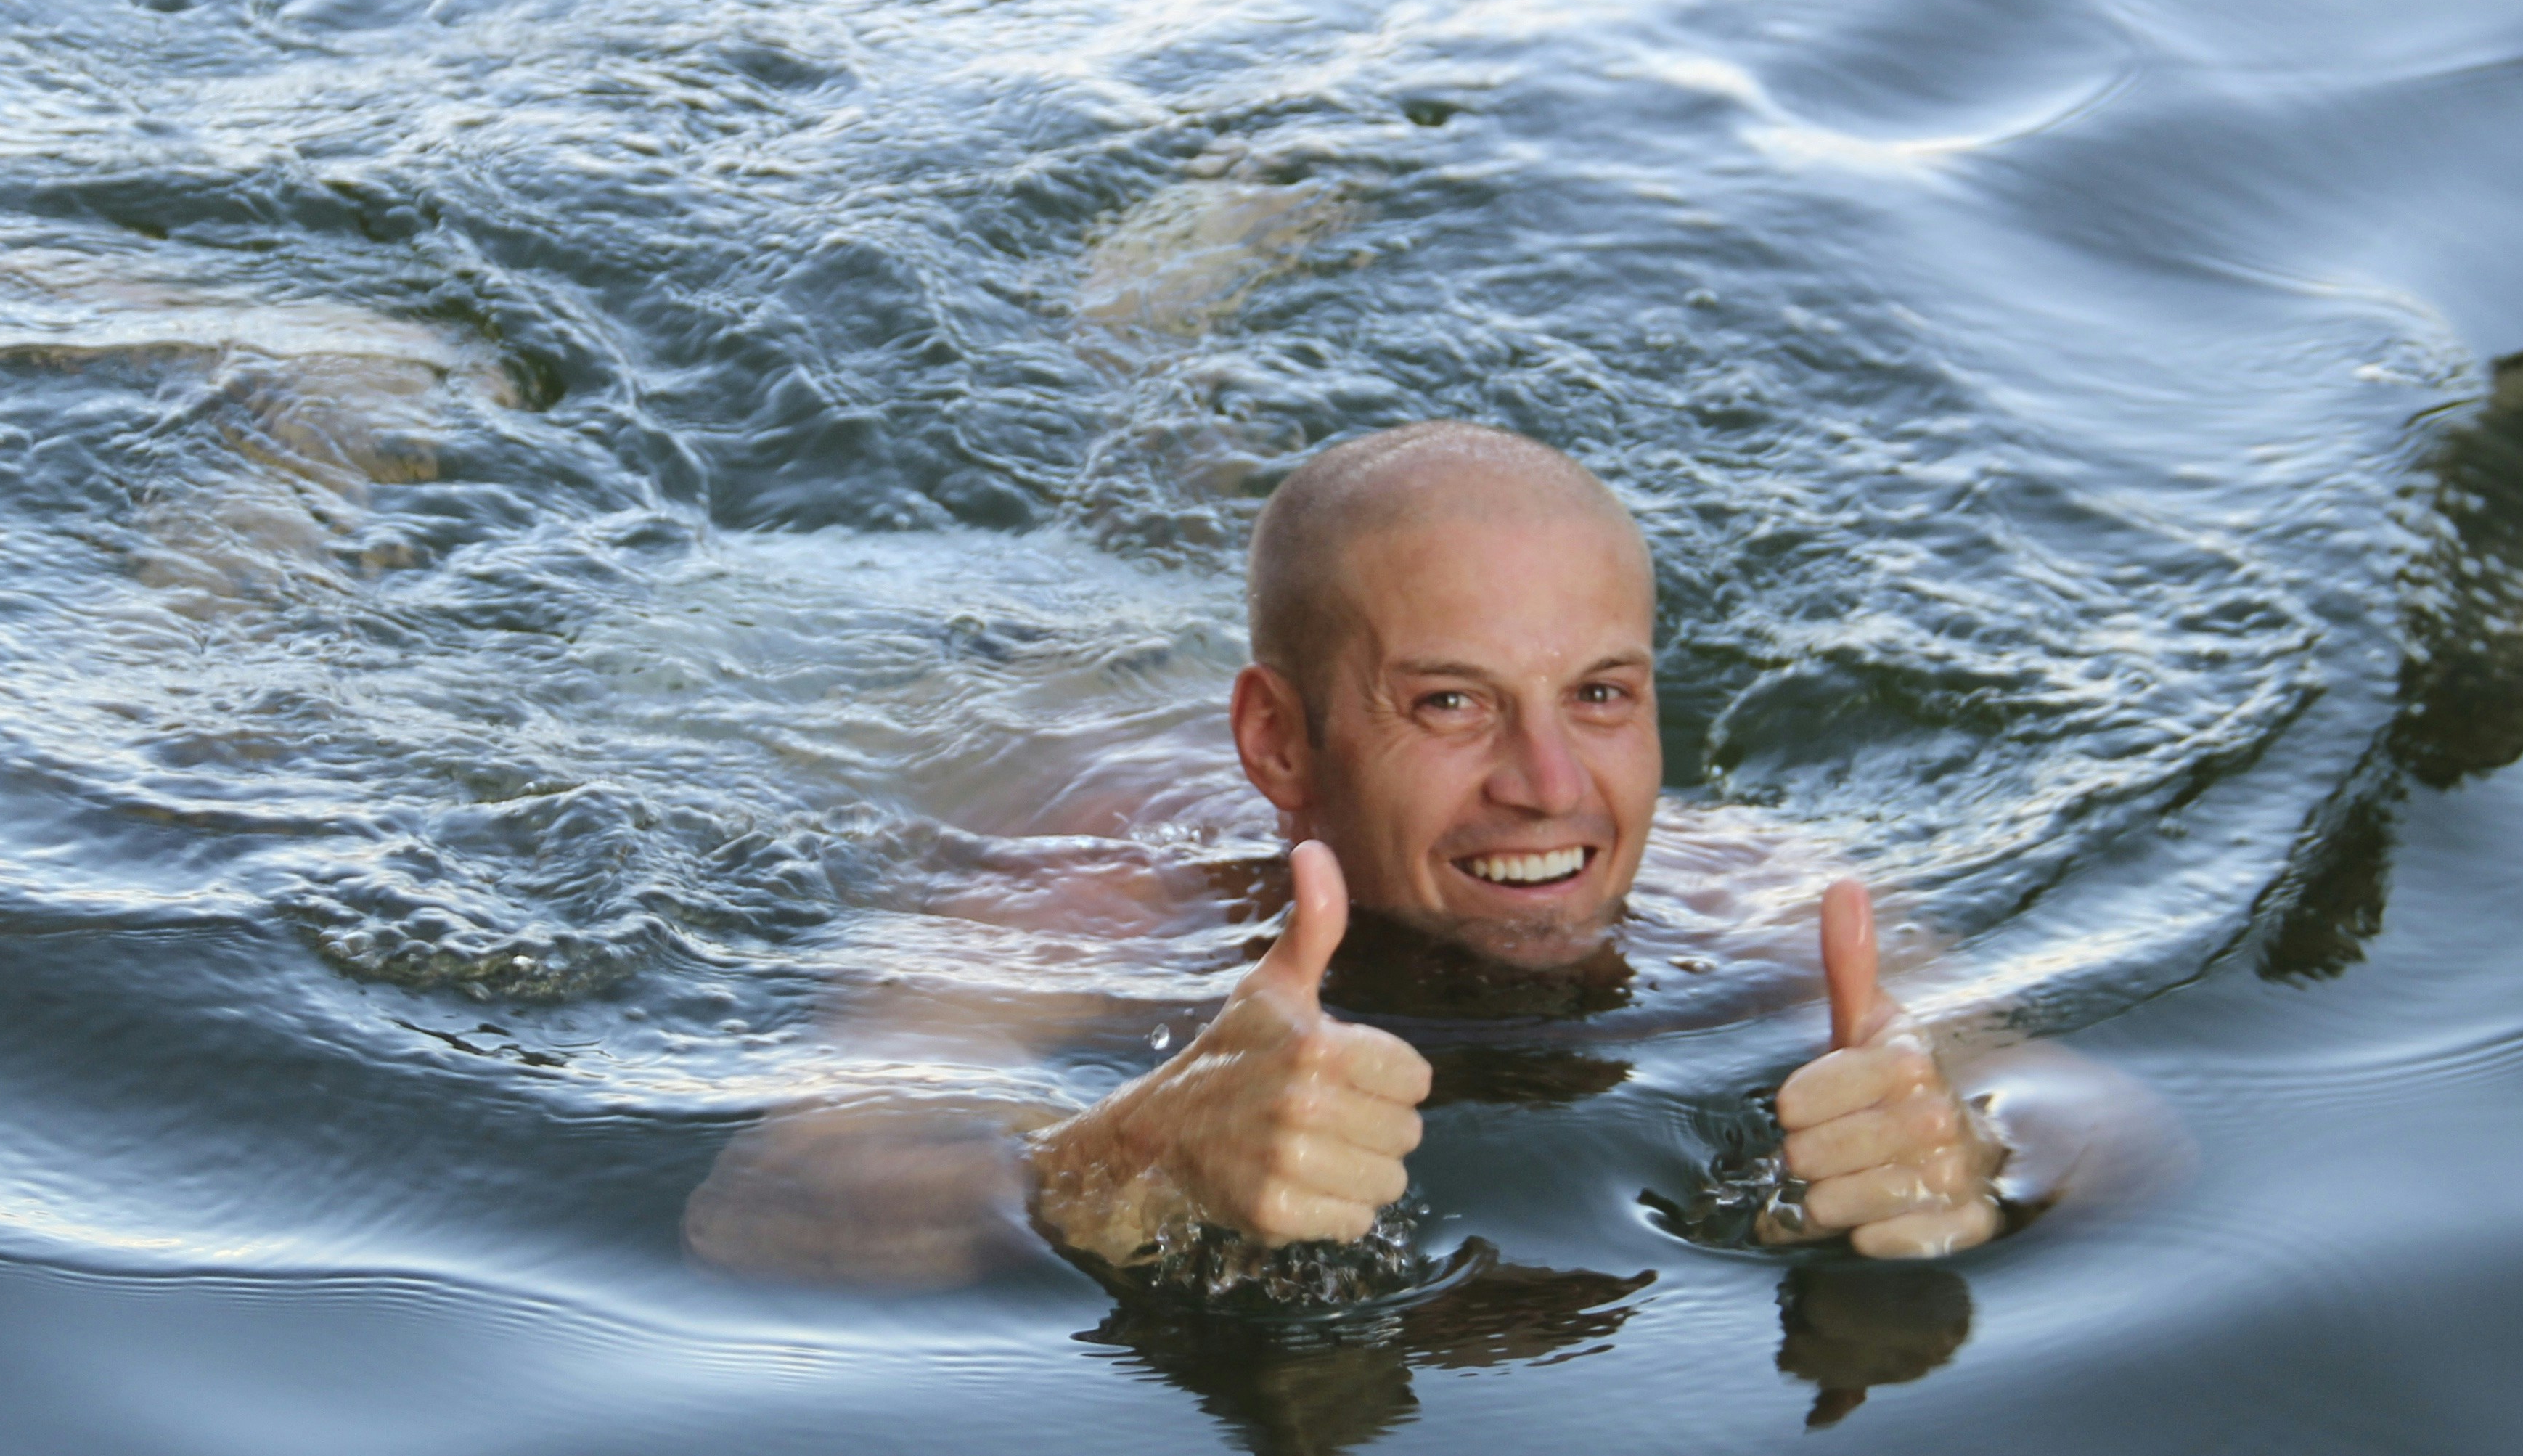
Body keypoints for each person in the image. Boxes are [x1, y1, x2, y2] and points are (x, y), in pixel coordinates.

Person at [690, 420, 2156, 1288]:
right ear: (1279, 749)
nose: (1548, 788)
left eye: (1600, 695)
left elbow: (2115, 1128)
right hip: (887, 693)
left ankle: (1150, 358)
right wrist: (1105, 1170)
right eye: (1449, 704)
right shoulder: (1097, 881)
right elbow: (765, 1207)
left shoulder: (1765, 893)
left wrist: (1981, 1157)